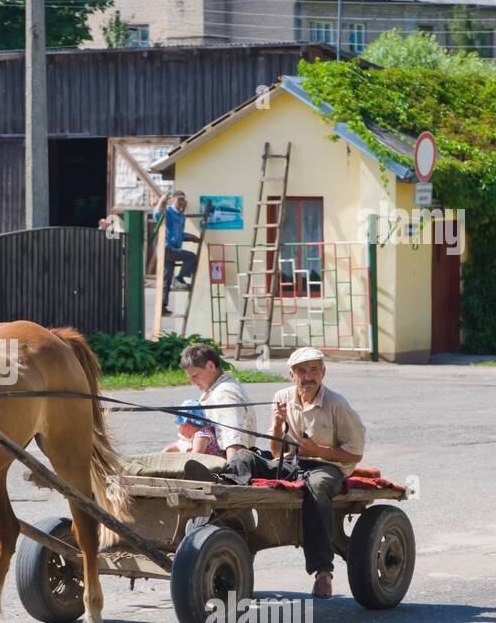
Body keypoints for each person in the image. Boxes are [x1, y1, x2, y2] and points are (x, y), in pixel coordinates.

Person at [223, 347, 366, 599]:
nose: (307, 377)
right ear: (292, 375)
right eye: (301, 371)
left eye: (313, 370)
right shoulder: (282, 396)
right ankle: (228, 514)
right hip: (290, 464)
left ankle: (323, 572)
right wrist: (278, 424)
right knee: (242, 457)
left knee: (317, 487)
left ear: (323, 373)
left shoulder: (337, 404)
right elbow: (276, 452)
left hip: (327, 468)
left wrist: (317, 449)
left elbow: (354, 455)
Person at [178, 342, 255, 460]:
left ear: (210, 366)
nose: (193, 382)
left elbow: (234, 443)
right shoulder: (215, 390)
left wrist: (232, 476)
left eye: (195, 376)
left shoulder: (224, 394)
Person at [151, 191, 200, 312]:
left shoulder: (182, 216)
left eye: (183, 200)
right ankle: (180, 278)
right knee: (191, 257)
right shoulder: (167, 211)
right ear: (173, 200)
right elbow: (156, 216)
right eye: (179, 200)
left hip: (173, 249)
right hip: (166, 249)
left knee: (166, 278)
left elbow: (179, 233)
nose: (181, 203)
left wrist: (190, 237)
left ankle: (162, 306)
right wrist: (161, 201)